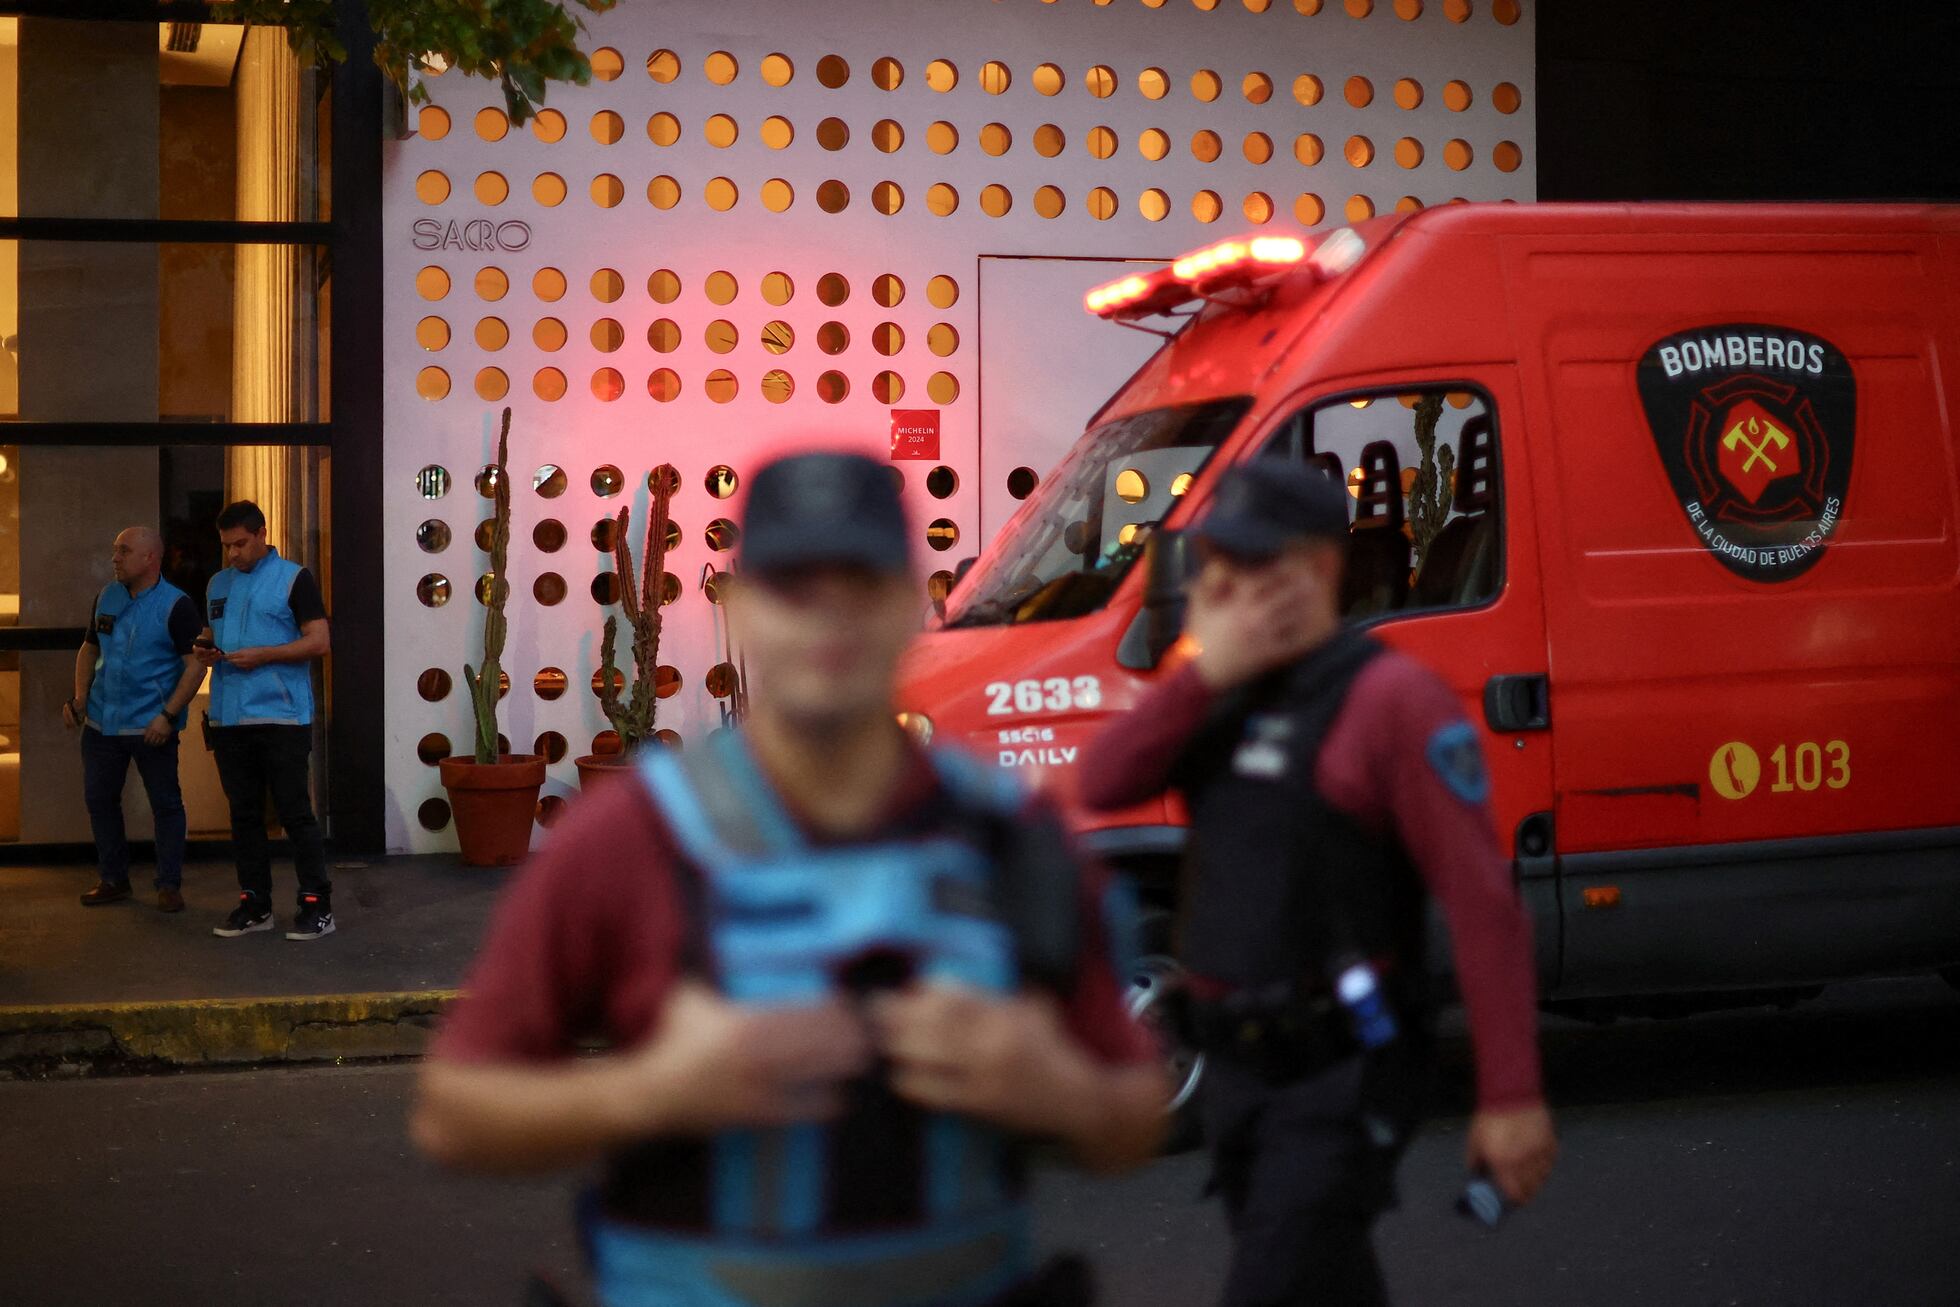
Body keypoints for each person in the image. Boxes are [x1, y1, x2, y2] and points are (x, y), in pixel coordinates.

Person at [412, 452, 1167, 1307]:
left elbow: (1134, 1113)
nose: (827, 616)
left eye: (860, 581)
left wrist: (1050, 1086)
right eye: (791, 586)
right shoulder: (627, 840)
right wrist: (653, 1090)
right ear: (744, 608)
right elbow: (452, 1112)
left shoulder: (1013, 841)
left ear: (912, 602)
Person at [1079, 460, 1557, 1307]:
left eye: (1262, 565)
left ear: (1323, 569)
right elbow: (1103, 782)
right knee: (1325, 1281)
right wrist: (1199, 672)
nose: (1236, 587)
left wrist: (1511, 1094)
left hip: (1343, 1064)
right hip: (1235, 1066)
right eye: (1223, 565)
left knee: (1277, 1280)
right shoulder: (1220, 688)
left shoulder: (1390, 702)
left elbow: (1483, 902)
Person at [194, 501, 334, 941]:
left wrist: (265, 655)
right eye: (226, 546)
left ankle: (316, 904)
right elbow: (213, 634)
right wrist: (204, 647)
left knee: (294, 812)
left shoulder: (294, 578)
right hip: (230, 715)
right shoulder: (218, 583)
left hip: (281, 715)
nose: (232, 553)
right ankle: (254, 904)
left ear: (261, 534)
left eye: (239, 543)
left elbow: (320, 641)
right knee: (244, 815)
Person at [65, 526, 205, 912]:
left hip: (151, 727)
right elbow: (89, 649)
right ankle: (113, 878)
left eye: (123, 551)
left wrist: (168, 715)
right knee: (100, 800)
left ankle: (169, 884)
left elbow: (194, 667)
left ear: (149, 558)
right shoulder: (107, 597)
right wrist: (80, 699)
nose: (115, 558)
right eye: (115, 551)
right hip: (101, 724)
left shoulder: (177, 606)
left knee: (165, 804)